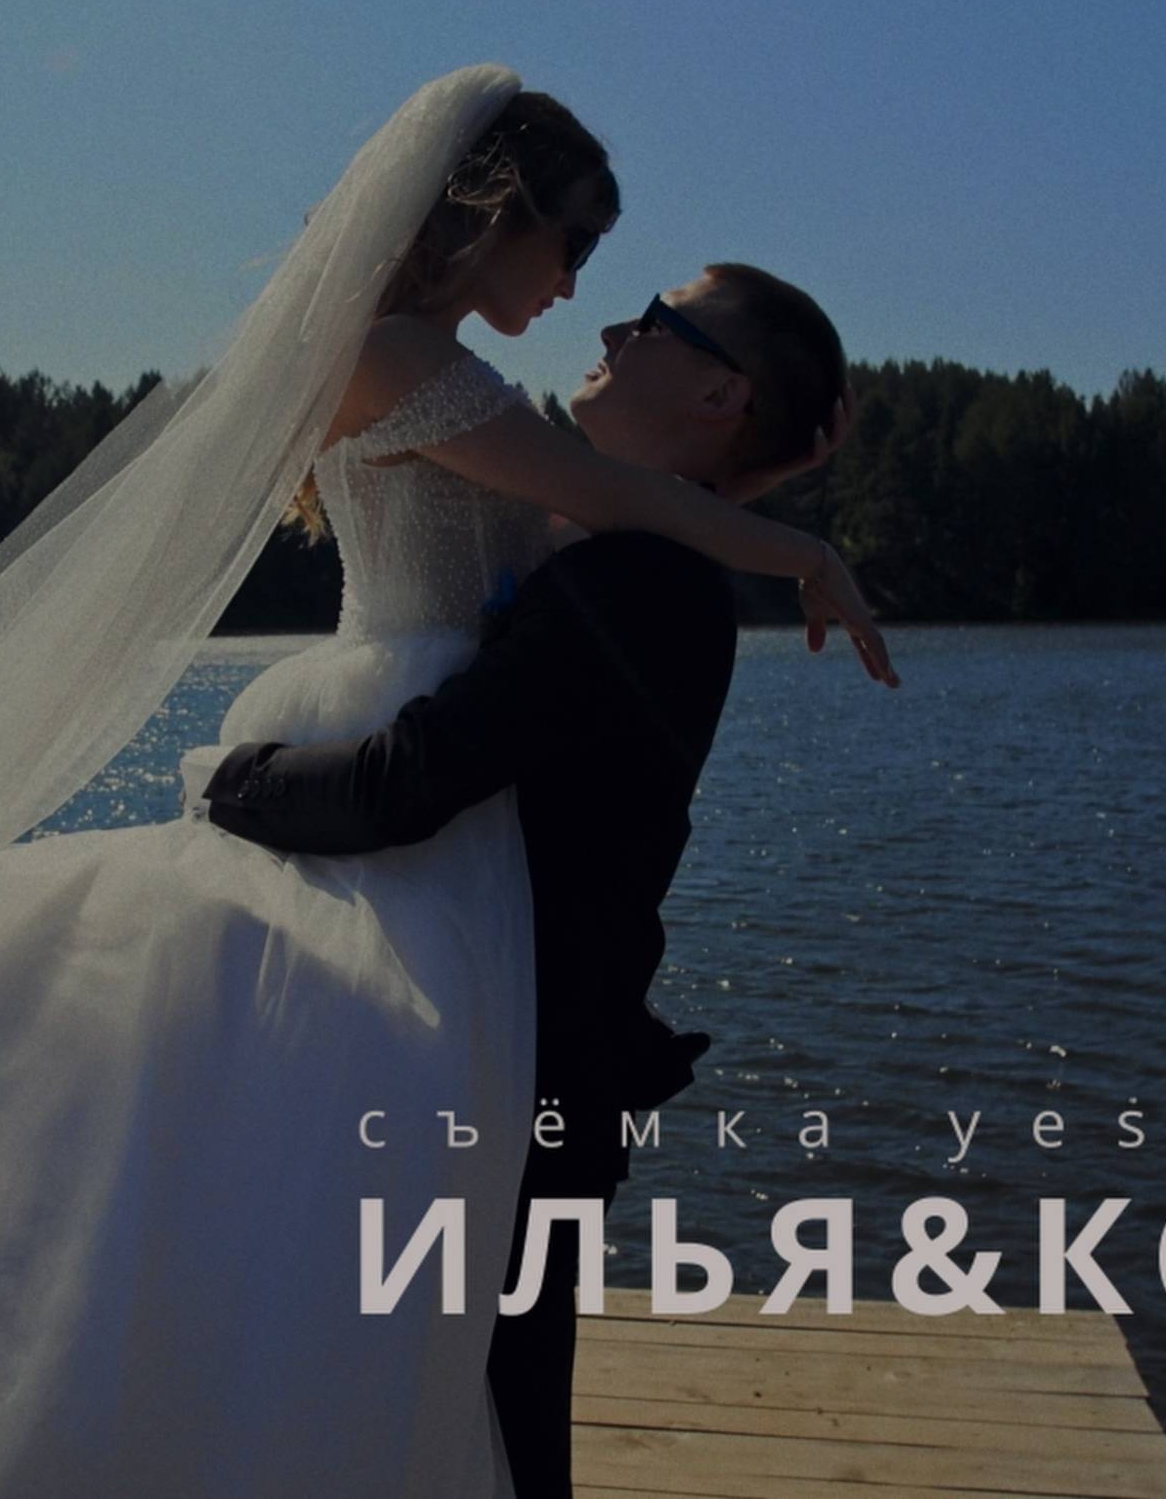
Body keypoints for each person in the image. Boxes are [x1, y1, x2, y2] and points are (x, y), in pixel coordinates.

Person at [0, 65, 889, 1498]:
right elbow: (615, 512)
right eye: (573, 242)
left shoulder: (476, 399)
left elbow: (617, 528)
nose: (584, 290)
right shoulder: (402, 357)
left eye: (613, 277)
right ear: (492, 212)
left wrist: (759, 492)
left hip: (427, 796)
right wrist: (794, 542)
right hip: (394, 771)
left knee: (337, 1234)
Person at [195, 262, 855, 1499]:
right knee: (471, 1415)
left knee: (494, 1425)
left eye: (654, 320)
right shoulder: (635, 563)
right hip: (508, 1060)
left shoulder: (635, 587)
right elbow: (621, 518)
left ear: (720, 392)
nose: (610, 325)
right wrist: (743, 493)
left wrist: (228, 786)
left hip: (524, 1076)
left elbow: (408, 781)